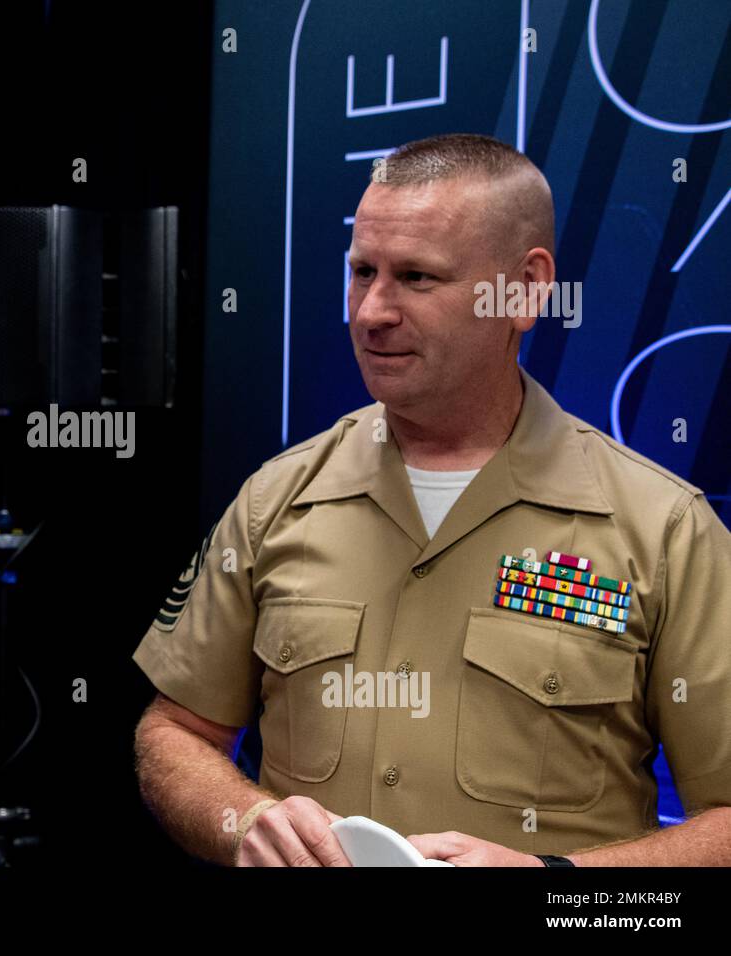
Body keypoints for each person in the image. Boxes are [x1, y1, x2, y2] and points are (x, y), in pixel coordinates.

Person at [133, 133, 731, 867]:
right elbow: (174, 732)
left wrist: (560, 881)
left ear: (524, 289)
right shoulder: (275, 500)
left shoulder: (664, 530)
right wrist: (242, 819)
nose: (371, 311)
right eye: (362, 272)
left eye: (417, 277)